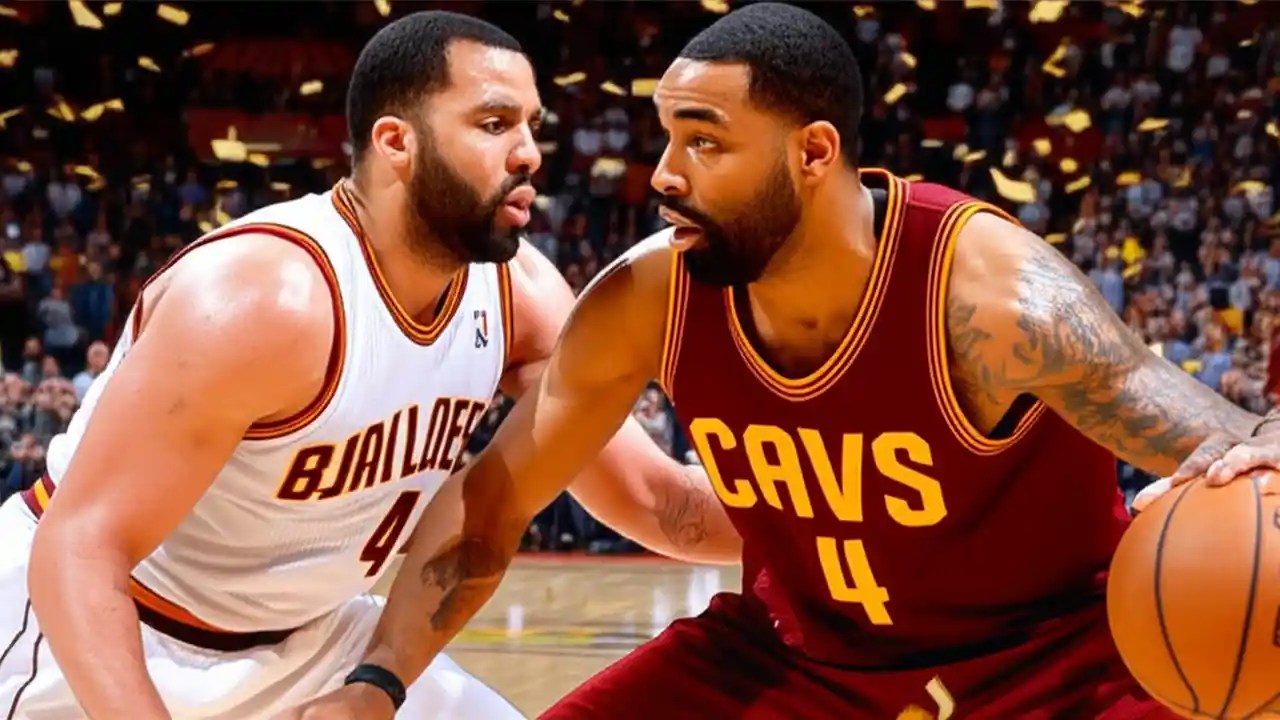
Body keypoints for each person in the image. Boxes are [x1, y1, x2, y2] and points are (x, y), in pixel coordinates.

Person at [320, 4, 1270, 719]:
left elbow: (1229, 442)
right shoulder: (650, 297)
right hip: (795, 660)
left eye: (705, 142)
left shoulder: (987, 294)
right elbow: (492, 504)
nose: (663, 174)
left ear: (813, 153)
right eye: (665, 137)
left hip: (1047, 667)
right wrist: (375, 683)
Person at [1, 12, 719, 720]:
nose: (530, 153)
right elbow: (79, 549)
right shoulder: (266, 299)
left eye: (533, 126)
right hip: (97, 630)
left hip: (315, 640)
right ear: (396, 142)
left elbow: (666, 506)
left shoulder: (520, 298)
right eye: (495, 124)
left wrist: (826, 526)